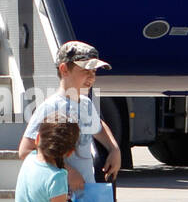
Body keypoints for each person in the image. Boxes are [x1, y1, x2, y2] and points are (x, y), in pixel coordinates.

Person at [19, 42, 122, 190]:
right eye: (86, 70)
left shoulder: (86, 104)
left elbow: (97, 127)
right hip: (61, 194)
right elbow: (26, 151)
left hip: (86, 191)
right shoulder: (50, 107)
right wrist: (67, 171)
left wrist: (114, 149)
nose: (91, 77)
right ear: (64, 69)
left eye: (94, 71)